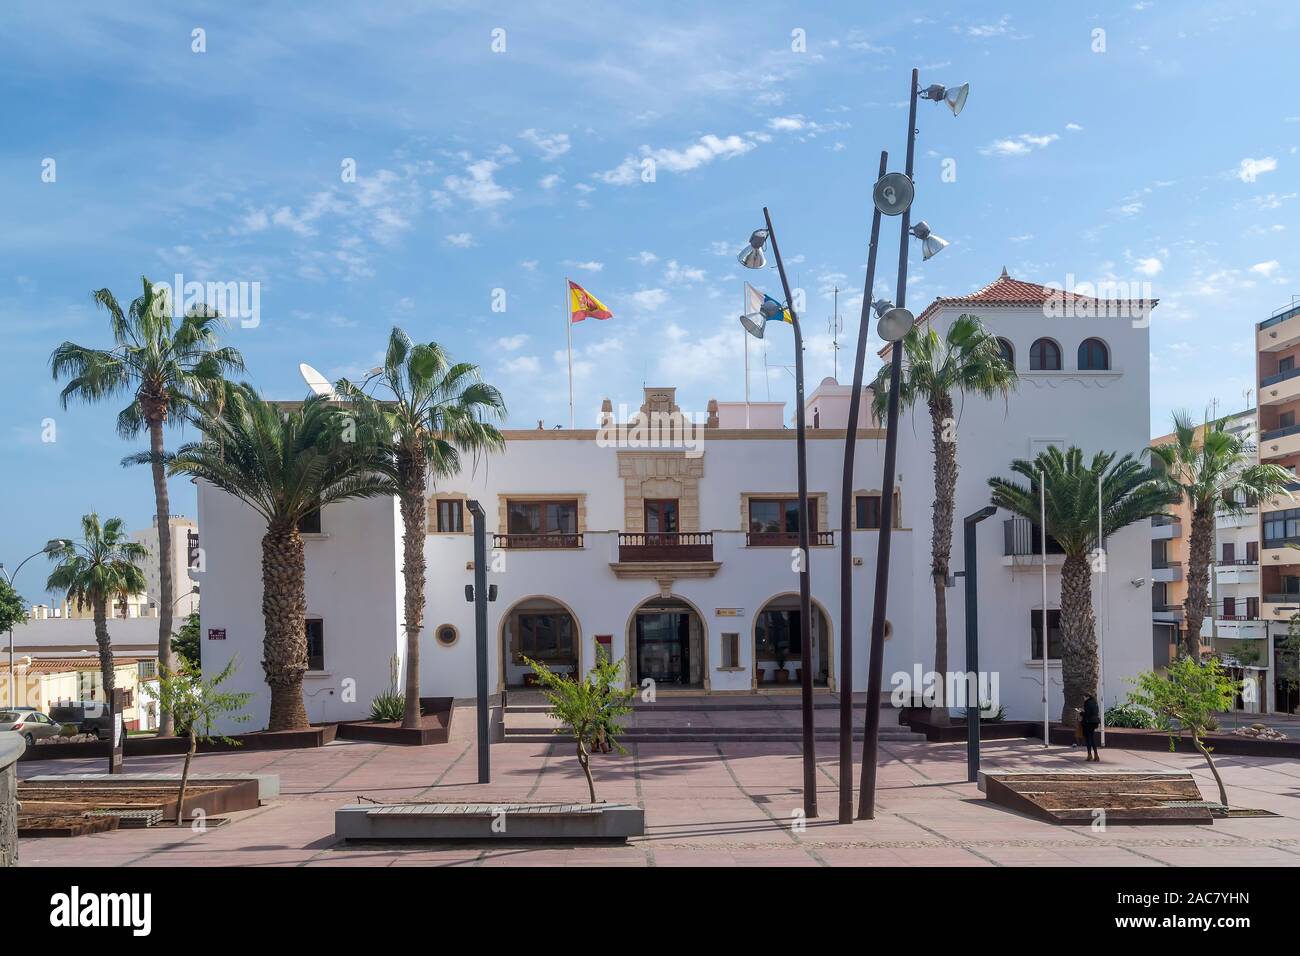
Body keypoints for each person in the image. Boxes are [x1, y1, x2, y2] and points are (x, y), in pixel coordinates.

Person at [1080, 694, 1102, 762]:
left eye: (1084, 697)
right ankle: (1096, 755)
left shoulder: (1087, 703)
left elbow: (1087, 714)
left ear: (1087, 697)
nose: (1084, 699)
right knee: (1092, 738)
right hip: (1094, 722)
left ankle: (1089, 755)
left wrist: (1081, 713)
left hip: (1088, 722)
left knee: (1088, 739)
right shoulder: (1095, 703)